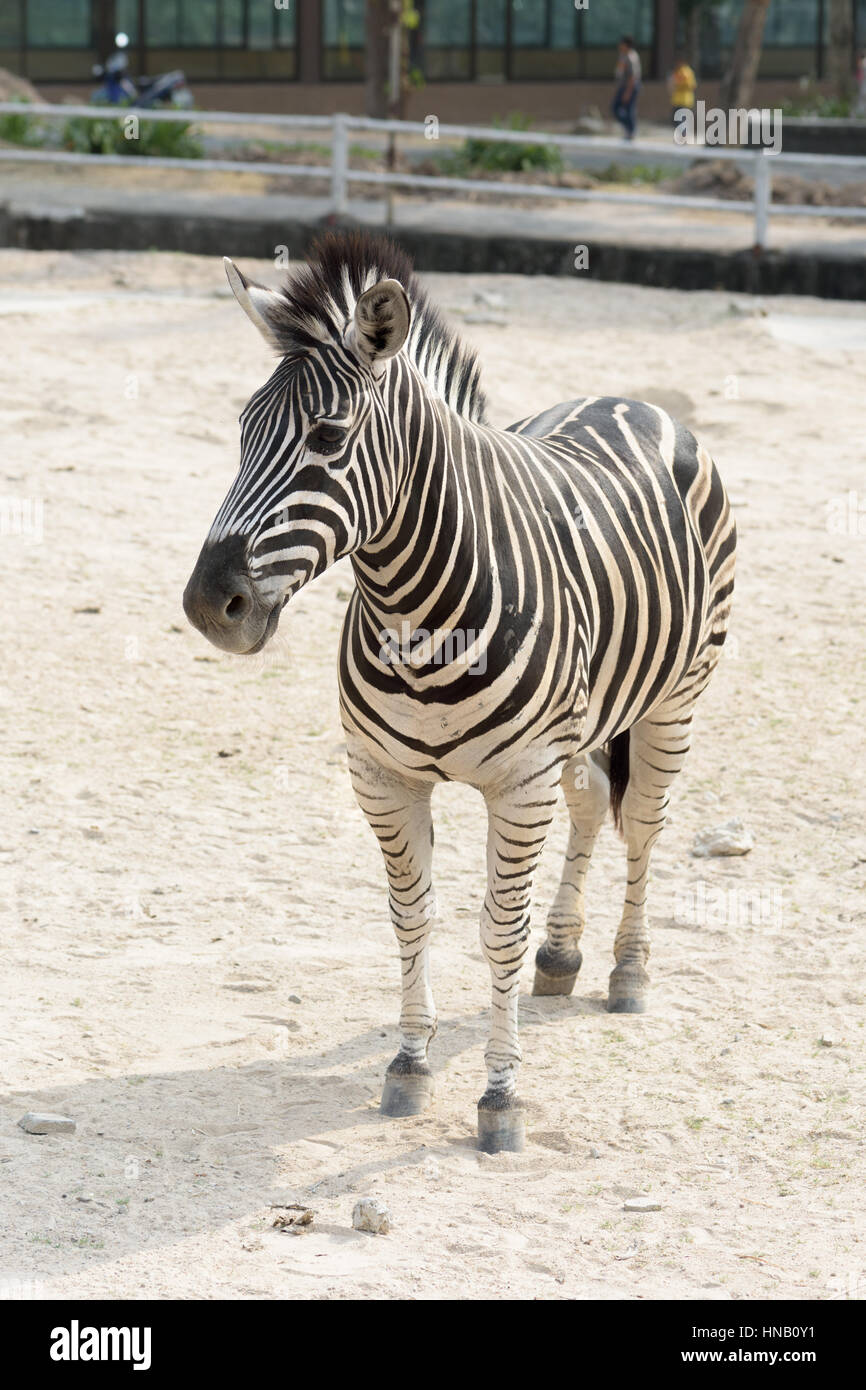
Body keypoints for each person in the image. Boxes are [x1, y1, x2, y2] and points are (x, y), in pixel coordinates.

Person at [612, 34, 641, 140]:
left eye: (622, 43)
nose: (620, 45)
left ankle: (631, 131)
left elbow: (633, 76)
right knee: (616, 108)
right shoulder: (623, 55)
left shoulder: (631, 56)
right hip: (623, 86)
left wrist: (628, 92)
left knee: (629, 109)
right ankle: (629, 129)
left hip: (630, 86)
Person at [668, 52, 697, 130]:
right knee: (678, 120)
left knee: (682, 120)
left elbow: (692, 85)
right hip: (678, 100)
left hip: (684, 100)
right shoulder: (677, 71)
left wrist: (679, 83)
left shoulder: (686, 72)